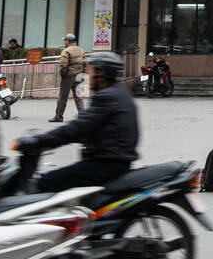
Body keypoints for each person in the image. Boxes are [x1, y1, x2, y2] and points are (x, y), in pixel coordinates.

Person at [15, 52, 140, 192]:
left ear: (101, 74)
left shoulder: (107, 96)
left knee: (47, 182)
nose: (89, 76)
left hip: (105, 165)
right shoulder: (120, 93)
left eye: (91, 71)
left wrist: (41, 141)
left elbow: (76, 129)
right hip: (115, 162)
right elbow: (88, 128)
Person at [52, 33, 86, 123]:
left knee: (63, 97)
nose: (64, 42)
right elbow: (85, 64)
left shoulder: (66, 51)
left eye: (64, 40)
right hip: (79, 75)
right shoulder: (81, 50)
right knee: (79, 96)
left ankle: (59, 116)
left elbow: (63, 65)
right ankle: (83, 116)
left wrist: (63, 74)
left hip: (68, 76)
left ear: (67, 41)